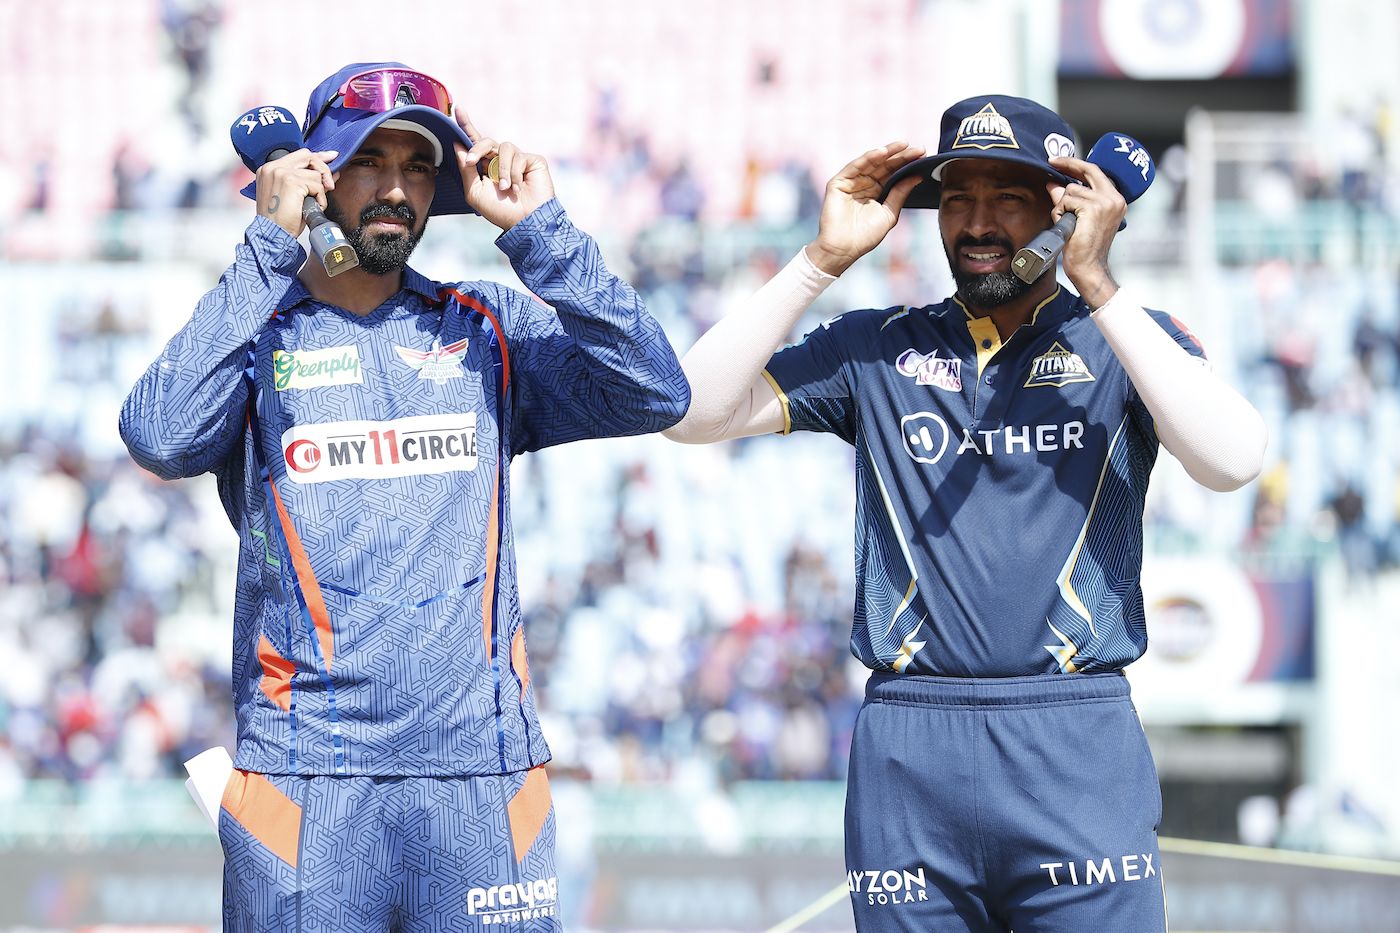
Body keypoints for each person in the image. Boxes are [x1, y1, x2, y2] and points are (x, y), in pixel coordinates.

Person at [665, 95, 1266, 931]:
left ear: (1064, 211)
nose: (977, 224)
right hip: (910, 752)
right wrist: (819, 262)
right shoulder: (874, 345)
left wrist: (1096, 282)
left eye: (1009, 199)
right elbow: (690, 409)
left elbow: (1235, 460)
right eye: (956, 199)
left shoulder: (1130, 338)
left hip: (1074, 742)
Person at [120, 62, 689, 932]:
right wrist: (269, 247)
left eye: (418, 166)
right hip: (306, 782)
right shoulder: (251, 334)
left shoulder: (487, 324)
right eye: (366, 160)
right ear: (315, 175)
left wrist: (544, 232)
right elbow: (159, 435)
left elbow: (656, 390)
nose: (394, 188)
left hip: (482, 784)